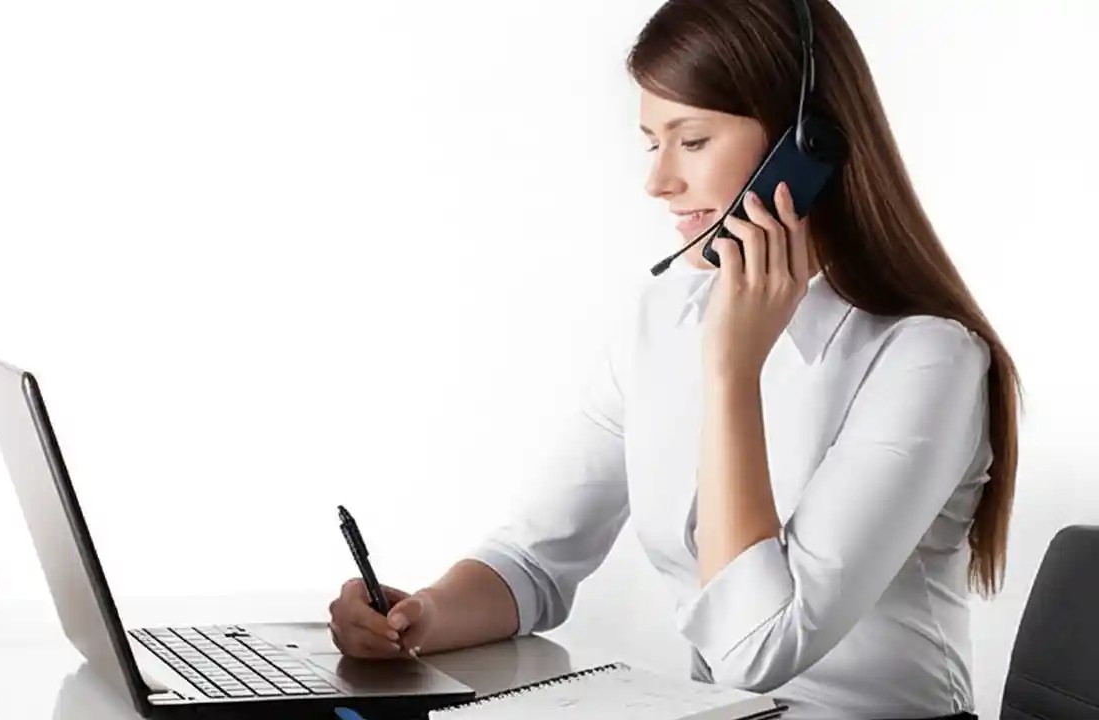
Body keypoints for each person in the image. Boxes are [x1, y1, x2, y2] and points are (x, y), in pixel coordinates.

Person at [327, 1, 1020, 717]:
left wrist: (731, 370)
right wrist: (421, 618)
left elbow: (756, 650)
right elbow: (536, 559)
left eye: (691, 141)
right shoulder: (663, 321)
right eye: (650, 143)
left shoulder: (927, 360)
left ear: (805, 145)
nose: (657, 182)